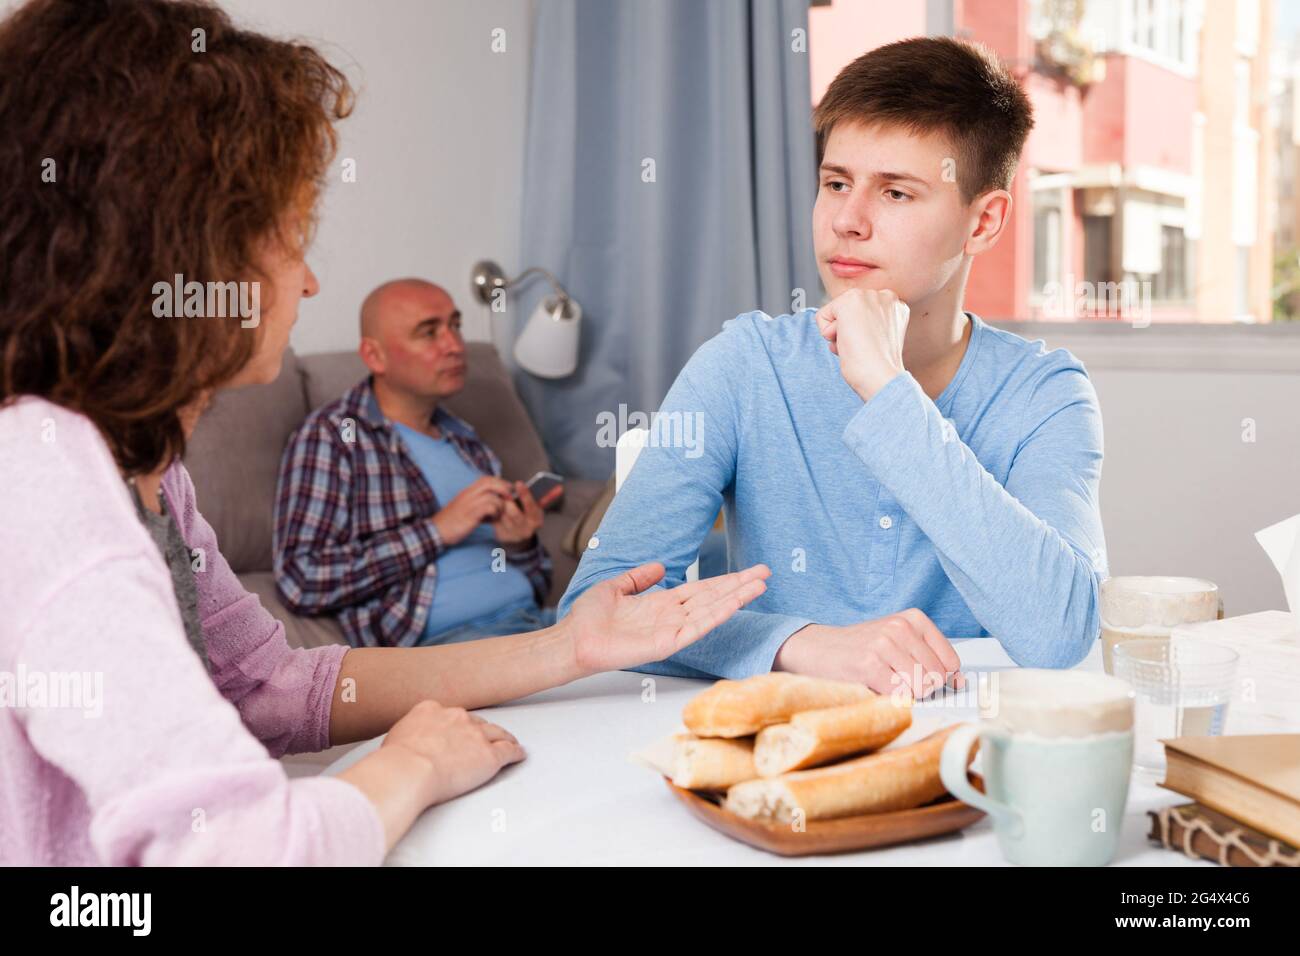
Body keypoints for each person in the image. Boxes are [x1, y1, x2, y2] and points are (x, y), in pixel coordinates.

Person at [0, 0, 769, 866]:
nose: (312, 277)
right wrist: (410, 766)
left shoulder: (146, 465)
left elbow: (267, 687)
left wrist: (570, 646)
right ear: (189, 247)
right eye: (291, 234)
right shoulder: (45, 479)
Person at [559, 37, 1108, 695]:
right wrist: (797, 643)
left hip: (967, 746)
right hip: (776, 742)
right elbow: (598, 611)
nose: (847, 221)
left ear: (983, 223)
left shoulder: (1046, 393)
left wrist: (887, 392)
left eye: (897, 193)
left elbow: (1060, 633)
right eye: (836, 183)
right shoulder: (745, 364)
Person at [275, 279, 562, 648]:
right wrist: (438, 531)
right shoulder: (333, 437)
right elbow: (302, 581)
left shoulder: (465, 440)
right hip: (456, 642)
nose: (454, 345)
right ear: (374, 356)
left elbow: (537, 583)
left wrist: (521, 545)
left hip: (535, 621)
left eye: (455, 326)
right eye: (428, 333)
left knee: (650, 630)